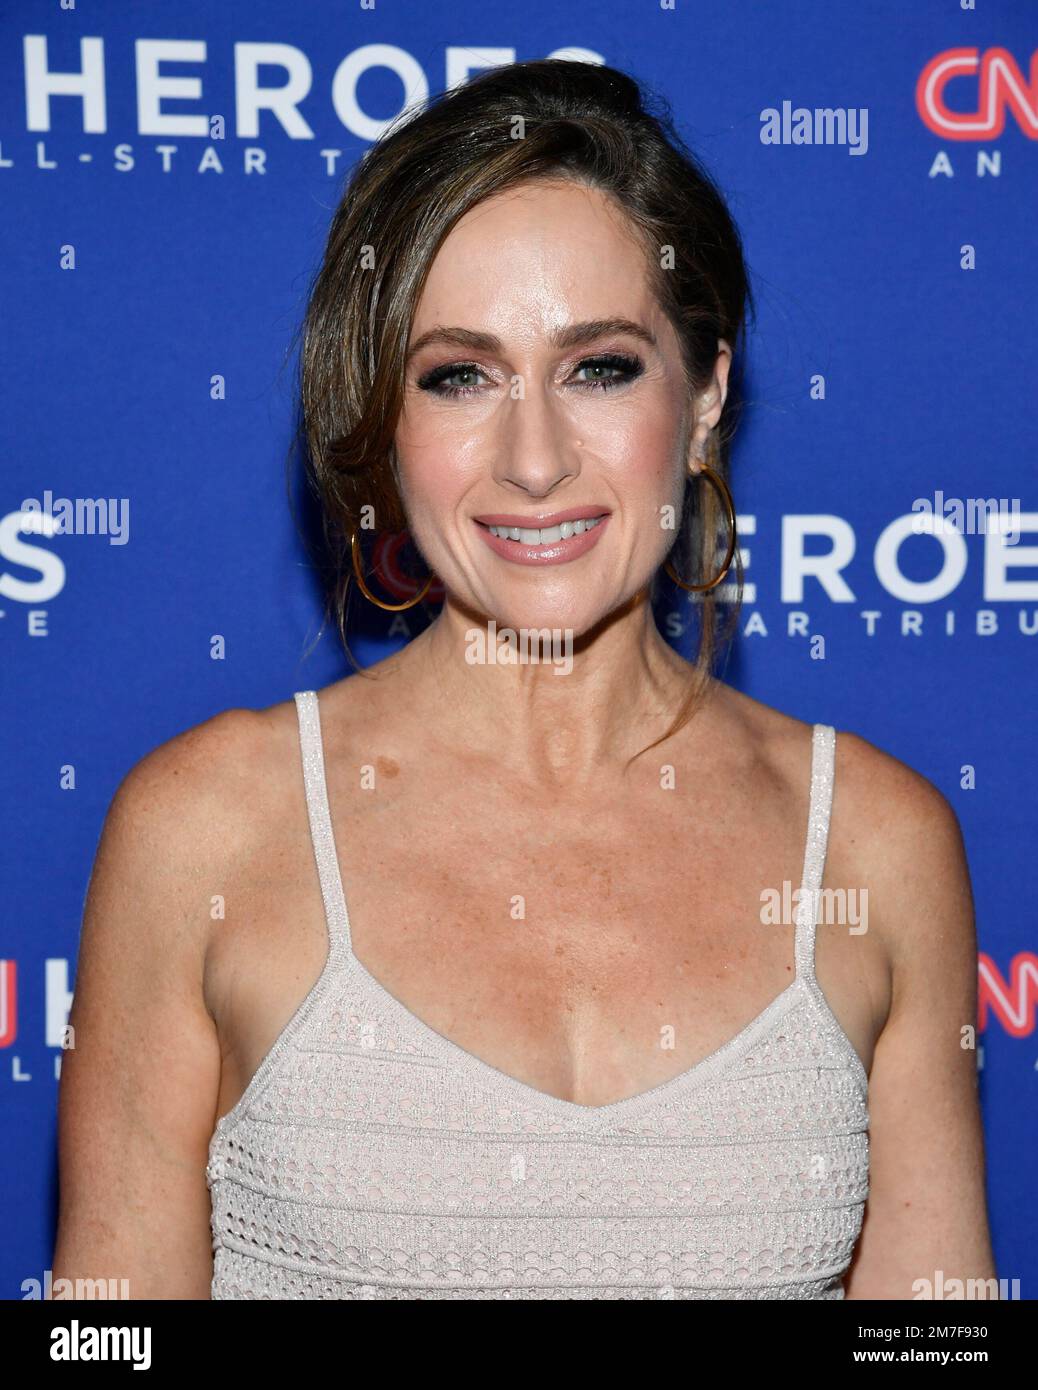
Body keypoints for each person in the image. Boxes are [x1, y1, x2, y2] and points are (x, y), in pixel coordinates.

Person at [53, 59, 995, 1300]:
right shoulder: (203, 830)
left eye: (600, 365)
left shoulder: (878, 844)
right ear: (386, 419)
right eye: (460, 375)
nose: (536, 457)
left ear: (706, 396)